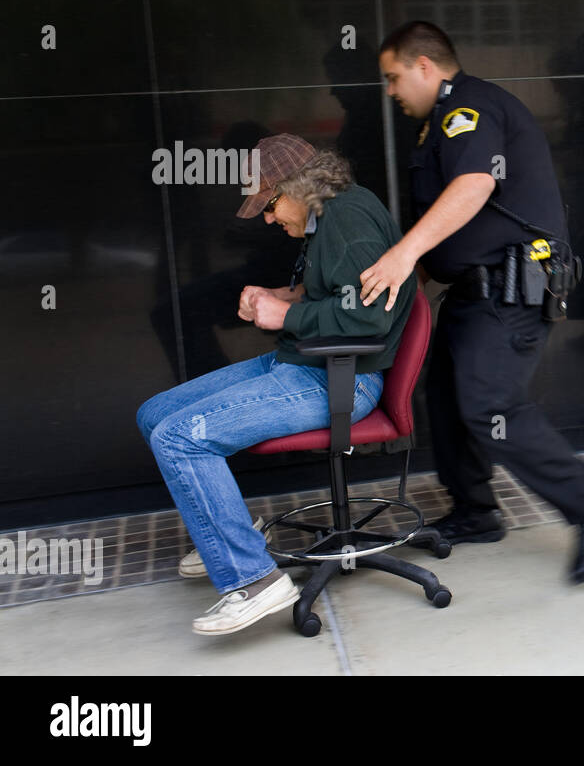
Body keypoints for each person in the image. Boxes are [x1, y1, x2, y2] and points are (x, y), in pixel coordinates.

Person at [361, 20, 584, 584]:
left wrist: (403, 255)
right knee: (449, 399)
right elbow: (456, 226)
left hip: (513, 286)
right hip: (474, 290)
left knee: (490, 404)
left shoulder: (469, 109)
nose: (390, 92)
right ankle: (477, 511)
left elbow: (474, 187)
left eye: (393, 77)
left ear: (425, 66)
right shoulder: (437, 126)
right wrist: (401, 279)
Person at [136, 134, 412, 635]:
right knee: (155, 414)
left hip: (342, 378)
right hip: (302, 362)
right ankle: (230, 536)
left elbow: (371, 317)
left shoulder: (348, 221)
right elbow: (333, 290)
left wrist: (285, 312)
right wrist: (278, 295)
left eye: (270, 205)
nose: (267, 219)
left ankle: (255, 581)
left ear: (299, 185)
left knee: (180, 438)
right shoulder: (328, 217)